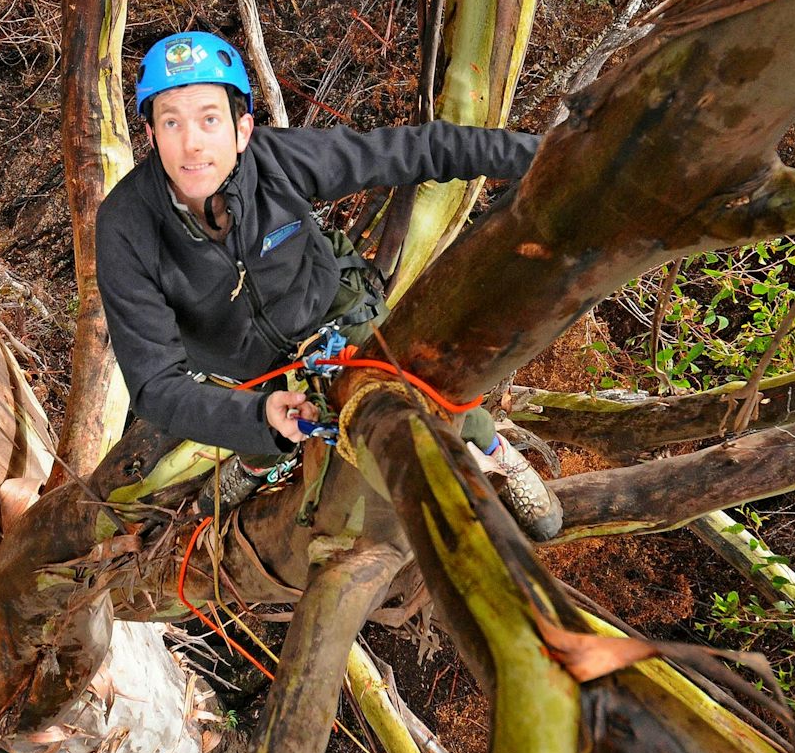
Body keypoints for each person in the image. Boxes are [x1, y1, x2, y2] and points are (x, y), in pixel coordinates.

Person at [95, 31, 561, 539]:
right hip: (236, 359)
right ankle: (255, 464)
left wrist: (546, 156)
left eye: (209, 119)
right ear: (151, 133)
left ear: (243, 128)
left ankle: (494, 449)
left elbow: (416, 150)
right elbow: (154, 385)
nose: (192, 143)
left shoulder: (278, 163)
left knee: (427, 383)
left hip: (325, 307)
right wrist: (258, 416)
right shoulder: (126, 227)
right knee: (255, 421)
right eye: (171, 122)